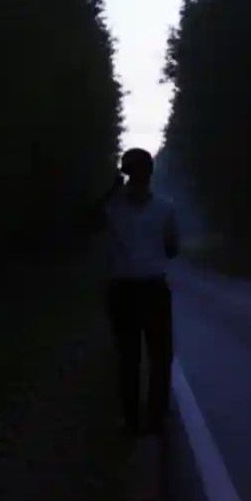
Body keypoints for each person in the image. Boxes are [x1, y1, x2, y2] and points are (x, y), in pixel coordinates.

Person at [92, 148, 179, 435]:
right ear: (150, 173)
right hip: (146, 288)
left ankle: (134, 418)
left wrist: (111, 191)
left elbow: (86, 222)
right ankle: (153, 417)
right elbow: (172, 249)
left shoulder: (113, 208)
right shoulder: (164, 208)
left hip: (127, 289)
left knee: (132, 357)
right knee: (156, 356)